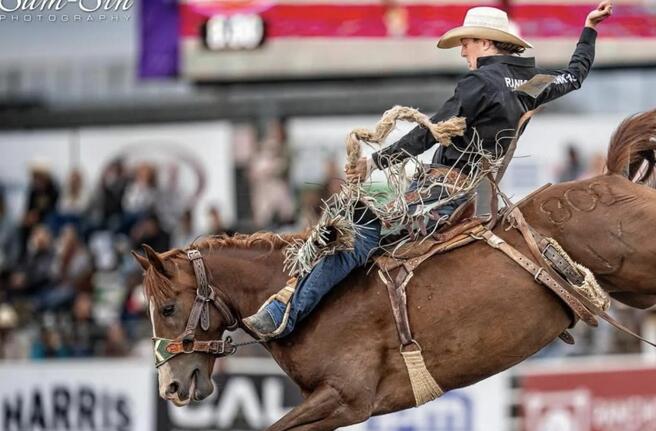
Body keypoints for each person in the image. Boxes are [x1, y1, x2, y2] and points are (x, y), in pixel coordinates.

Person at [243, 2, 614, 339]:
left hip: (442, 195)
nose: (464, 51)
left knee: (357, 233)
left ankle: (283, 314)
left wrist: (375, 161)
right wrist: (589, 28)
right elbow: (575, 75)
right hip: (477, 197)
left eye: (466, 43)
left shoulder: (479, 83)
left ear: (485, 43)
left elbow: (429, 133)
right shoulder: (528, 84)